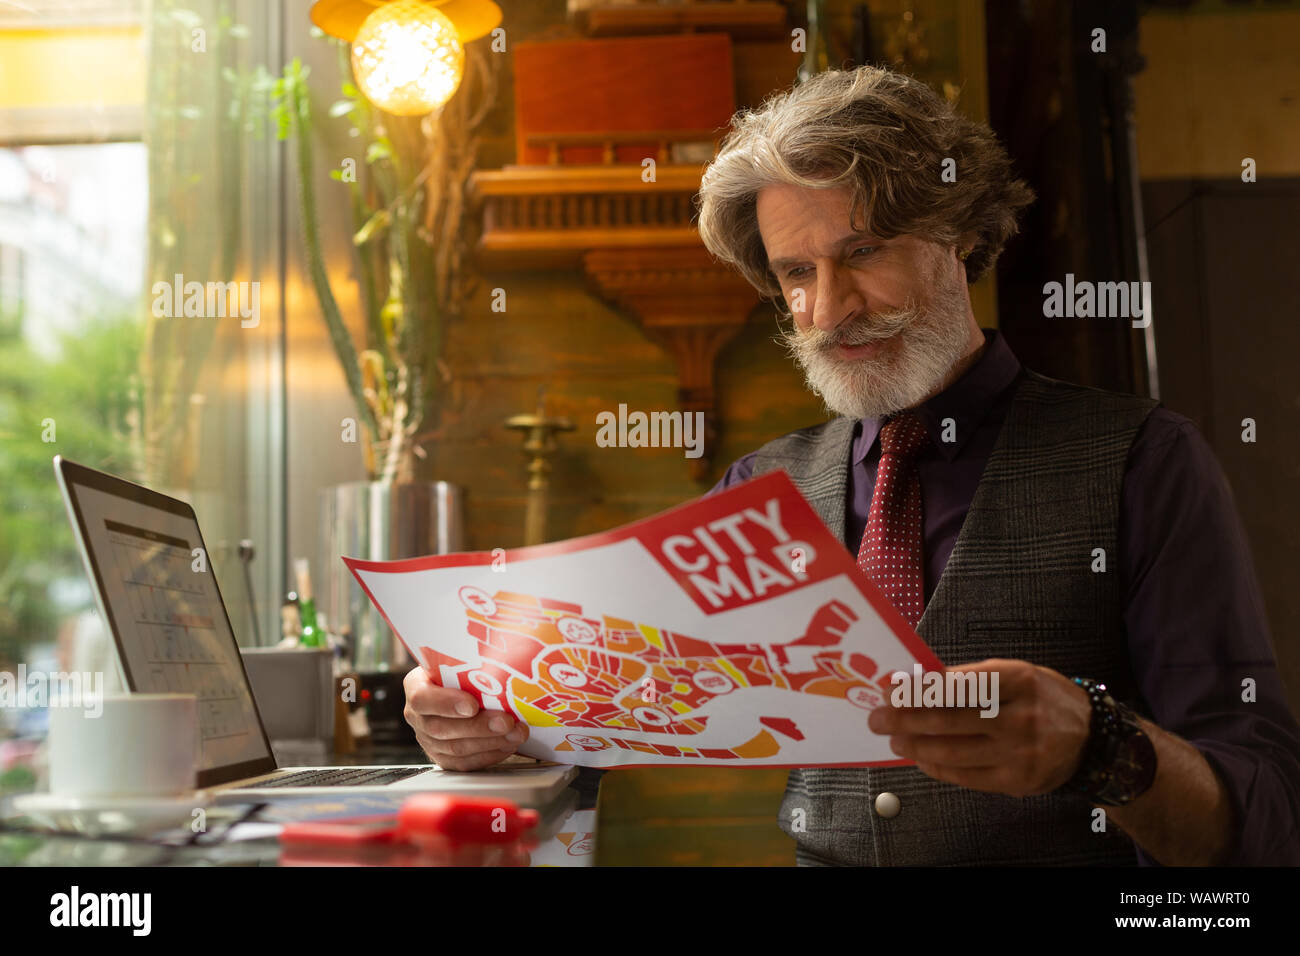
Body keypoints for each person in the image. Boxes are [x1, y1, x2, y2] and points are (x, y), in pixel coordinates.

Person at [404, 64, 1300, 865]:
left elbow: (1262, 816)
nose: (829, 310)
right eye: (795, 273)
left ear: (955, 235)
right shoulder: (757, 492)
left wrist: (1103, 747)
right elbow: (596, 710)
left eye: (862, 253)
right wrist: (488, 727)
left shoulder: (1144, 463)